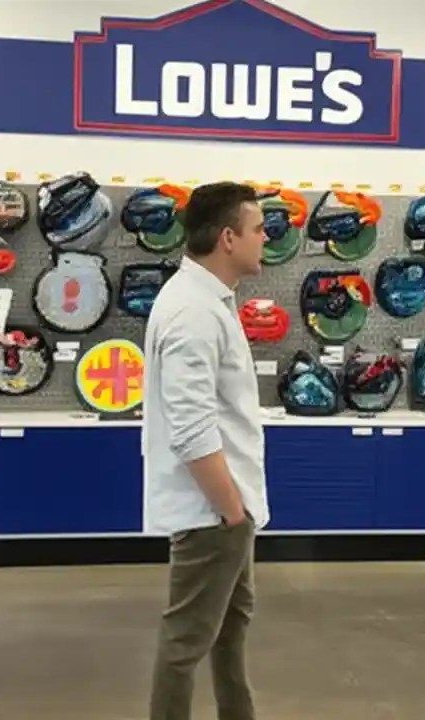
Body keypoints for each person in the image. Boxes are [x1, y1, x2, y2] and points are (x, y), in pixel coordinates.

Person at [142, 181, 269, 720]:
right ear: (227, 238)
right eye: (259, 229)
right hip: (212, 512)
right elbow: (191, 430)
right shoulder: (193, 313)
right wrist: (230, 511)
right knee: (186, 642)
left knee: (227, 631)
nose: (267, 238)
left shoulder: (206, 300)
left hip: (224, 508)